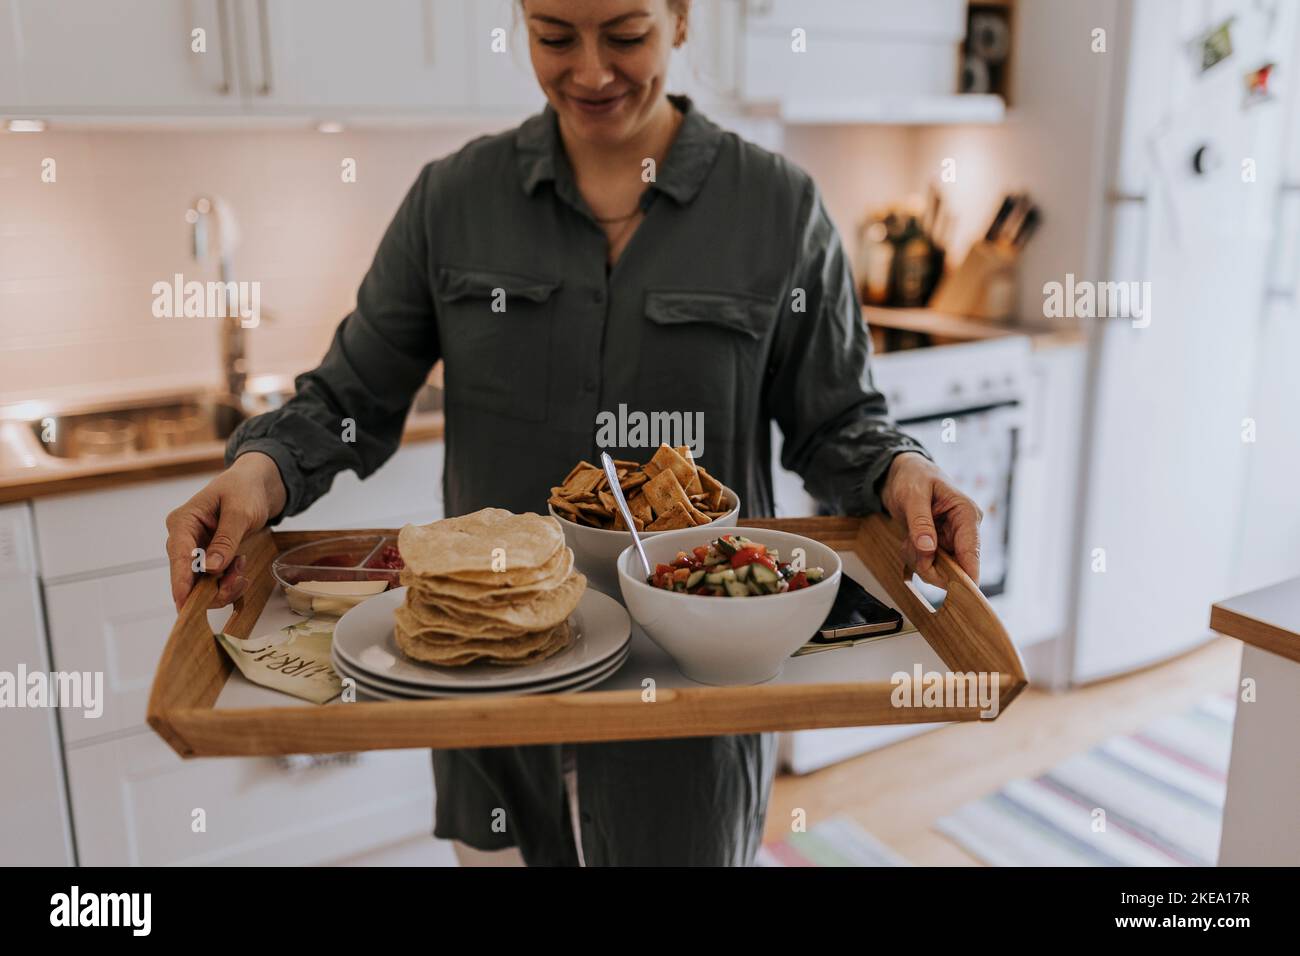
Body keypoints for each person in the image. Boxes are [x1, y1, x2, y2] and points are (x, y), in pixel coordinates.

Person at [165, 0, 984, 867]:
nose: (590, 72)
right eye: (554, 36)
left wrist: (899, 470)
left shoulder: (778, 209)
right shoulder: (453, 200)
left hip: (688, 702)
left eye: (625, 34)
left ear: (680, 17)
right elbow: (351, 395)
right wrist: (257, 473)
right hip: (489, 690)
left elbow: (839, 422)